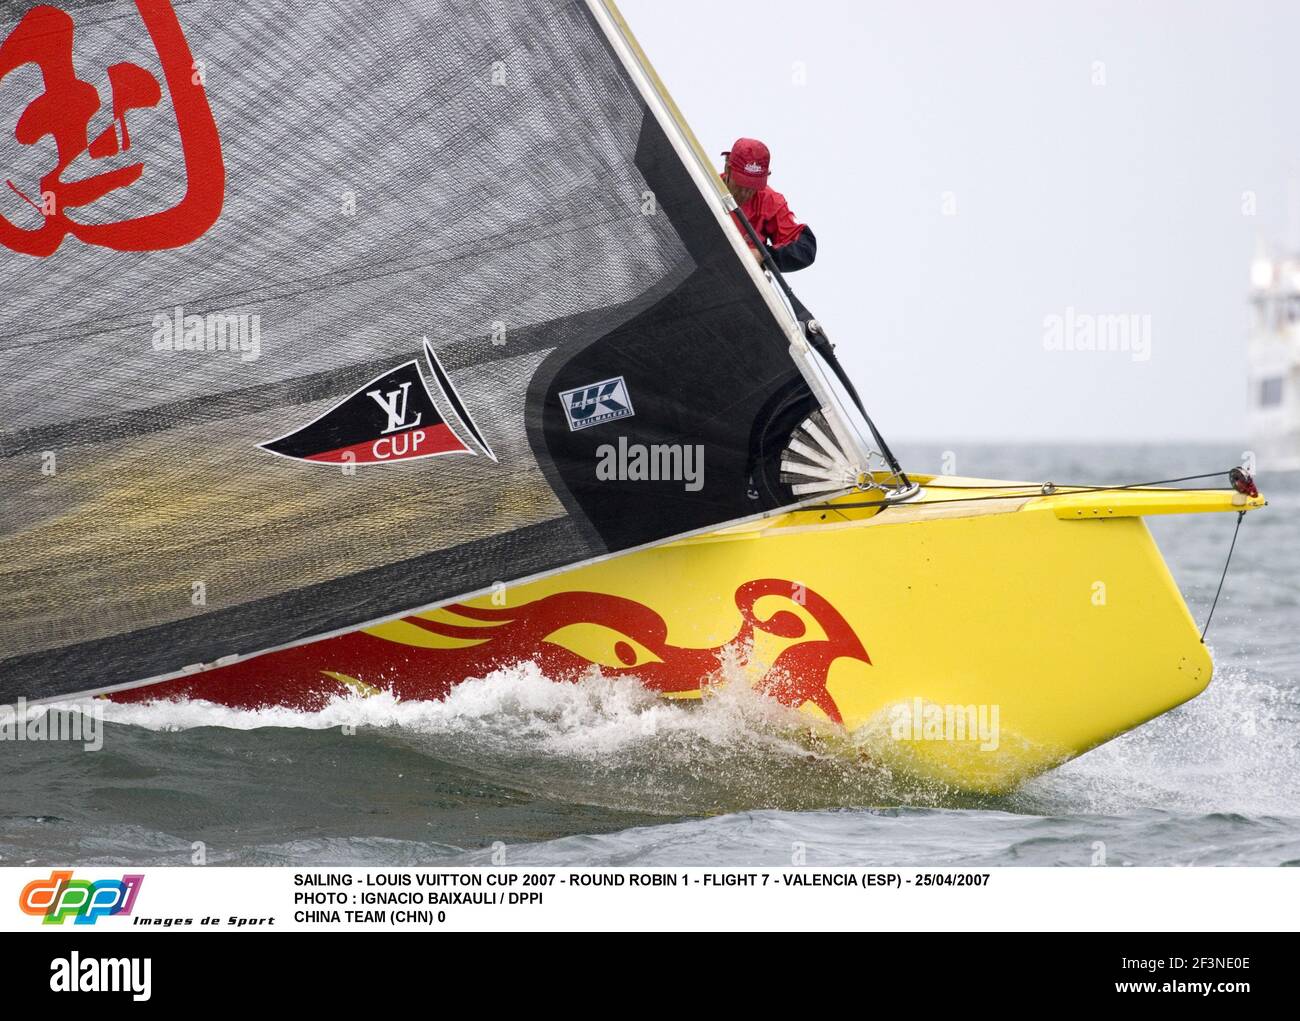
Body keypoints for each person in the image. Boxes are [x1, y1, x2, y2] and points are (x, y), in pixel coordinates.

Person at [721, 137, 817, 273]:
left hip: (738, 281)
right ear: (728, 170)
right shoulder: (704, 187)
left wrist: (762, 254)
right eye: (741, 183)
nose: (745, 192)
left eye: (753, 186)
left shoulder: (770, 201)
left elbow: (805, 249)